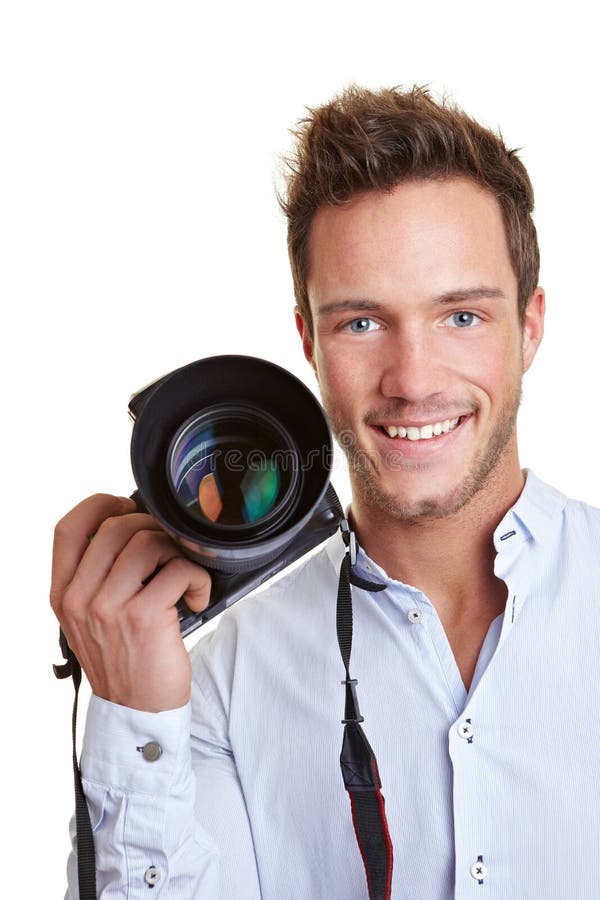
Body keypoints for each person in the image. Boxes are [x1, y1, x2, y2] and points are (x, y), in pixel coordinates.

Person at [51, 85, 600, 899]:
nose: (412, 381)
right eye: (361, 323)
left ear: (530, 326)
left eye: (461, 317)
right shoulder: (217, 682)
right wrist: (134, 712)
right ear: (308, 339)